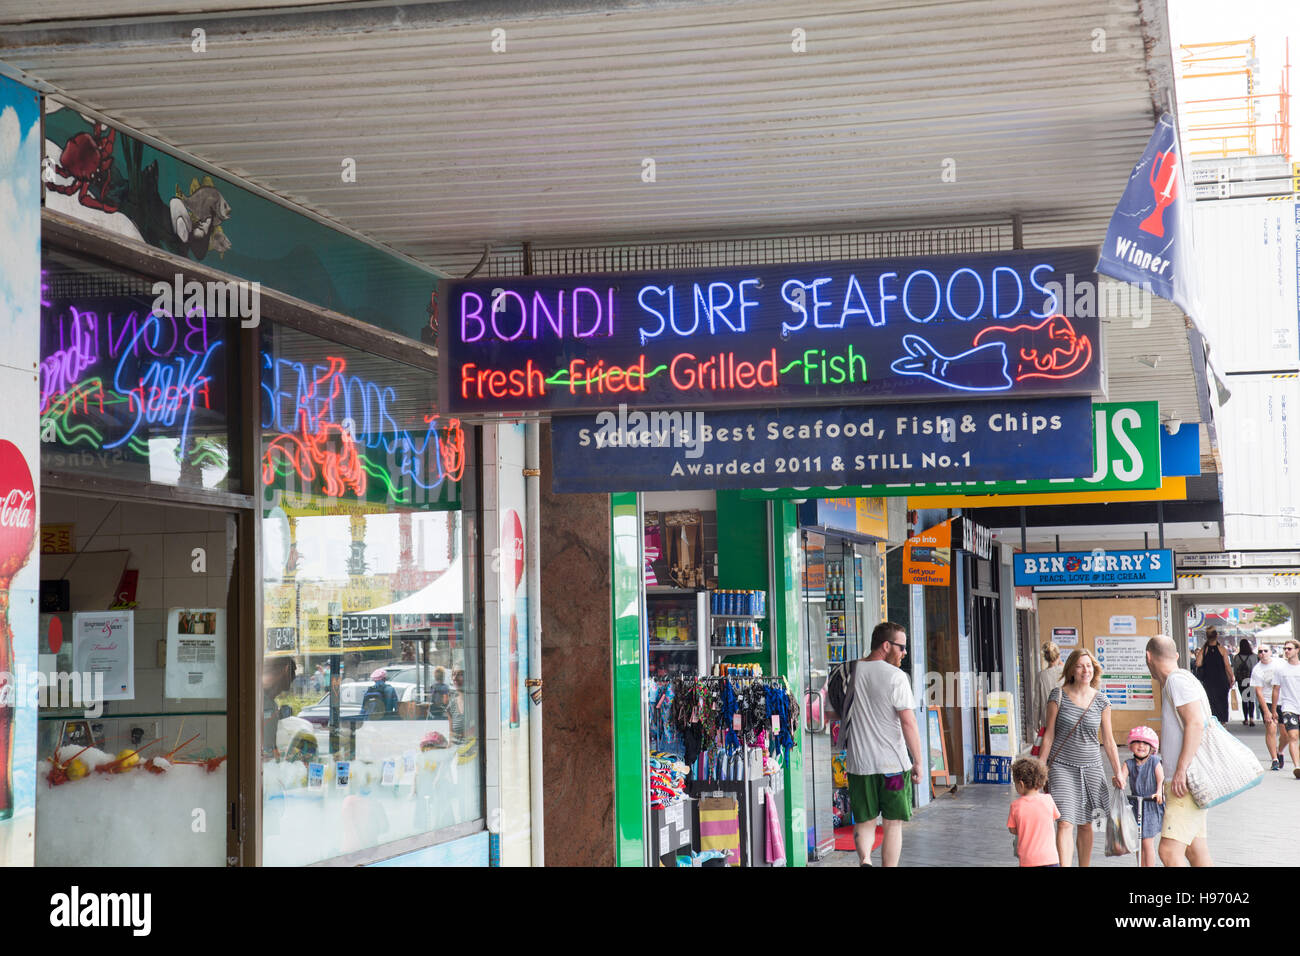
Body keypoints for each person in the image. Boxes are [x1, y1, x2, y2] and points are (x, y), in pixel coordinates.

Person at [841, 621, 924, 867]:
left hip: (860, 766)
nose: (905, 653)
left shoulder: (848, 672)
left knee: (865, 820)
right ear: (886, 646)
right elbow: (908, 723)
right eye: (901, 647)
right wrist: (918, 761)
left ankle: (866, 859)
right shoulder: (896, 677)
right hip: (893, 768)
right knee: (892, 822)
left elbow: (833, 713)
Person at [1038, 647, 1127, 868]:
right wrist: (1039, 771)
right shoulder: (1057, 695)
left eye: (1088, 665)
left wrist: (1118, 772)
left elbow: (1108, 739)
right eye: (1079, 665)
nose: (1085, 670)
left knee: (1087, 824)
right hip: (1061, 767)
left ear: (1094, 669)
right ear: (1071, 670)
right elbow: (1048, 735)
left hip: (1091, 768)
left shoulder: (1101, 701)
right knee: (1065, 822)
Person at [1145, 635, 1213, 867]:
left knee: (1168, 851)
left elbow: (1195, 723)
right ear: (1175, 655)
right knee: (1195, 852)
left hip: (1184, 782)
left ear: (1148, 657)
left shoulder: (1176, 682)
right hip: (1189, 779)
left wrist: (1181, 770)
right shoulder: (1184, 679)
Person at [1007, 757, 1060, 868]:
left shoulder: (1016, 806)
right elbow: (1054, 817)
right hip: (1050, 858)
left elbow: (1012, 829)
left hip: (1029, 860)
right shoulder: (1048, 800)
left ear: (1020, 784)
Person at [1124, 726, 1165, 868]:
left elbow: (1160, 779)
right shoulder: (1128, 763)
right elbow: (1121, 778)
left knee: (1147, 841)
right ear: (1131, 745)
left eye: (1145, 743)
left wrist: (1159, 792)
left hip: (1150, 803)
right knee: (1138, 841)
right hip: (1136, 804)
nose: (1141, 746)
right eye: (1137, 742)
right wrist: (1118, 781)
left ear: (1151, 747)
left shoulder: (1154, 761)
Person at [1270, 640, 1300, 779]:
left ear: (1297, 650)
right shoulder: (1280, 669)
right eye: (1285, 648)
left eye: (1289, 648)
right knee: (1292, 736)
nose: (1286, 651)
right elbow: (1276, 689)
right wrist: (1274, 710)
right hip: (1289, 706)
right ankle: (1297, 766)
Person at [1194, 627, 1234, 725]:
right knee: (1223, 701)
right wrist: (1232, 677)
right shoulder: (1222, 649)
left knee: (1211, 701)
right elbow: (1227, 665)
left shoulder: (1204, 649)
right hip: (1222, 680)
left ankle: (1213, 722)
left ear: (1207, 637)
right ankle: (1223, 722)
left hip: (1208, 681)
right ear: (1217, 636)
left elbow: (1198, 663)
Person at [1252, 646, 1283, 769]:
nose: (1263, 653)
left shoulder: (1280, 663)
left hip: (1283, 700)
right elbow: (1258, 692)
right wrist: (1266, 711)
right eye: (1260, 651)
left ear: (1270, 652)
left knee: (1286, 733)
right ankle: (1274, 759)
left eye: (1265, 651)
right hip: (1267, 700)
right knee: (1271, 728)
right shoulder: (1257, 670)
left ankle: (1279, 750)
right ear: (1258, 654)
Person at [1032, 642, 1065, 738]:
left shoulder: (1041, 676)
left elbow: (1037, 702)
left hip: (1047, 719)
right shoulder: (1066, 672)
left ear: (1045, 658)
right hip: (1066, 718)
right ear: (1059, 656)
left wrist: (1036, 721)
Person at [1232, 638, 1258, 727]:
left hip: (1241, 680)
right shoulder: (1254, 656)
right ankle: (1251, 718)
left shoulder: (1236, 657)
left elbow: (1235, 670)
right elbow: (1256, 669)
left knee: (1244, 699)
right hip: (1251, 680)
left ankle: (1245, 719)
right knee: (1251, 699)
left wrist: (1235, 679)